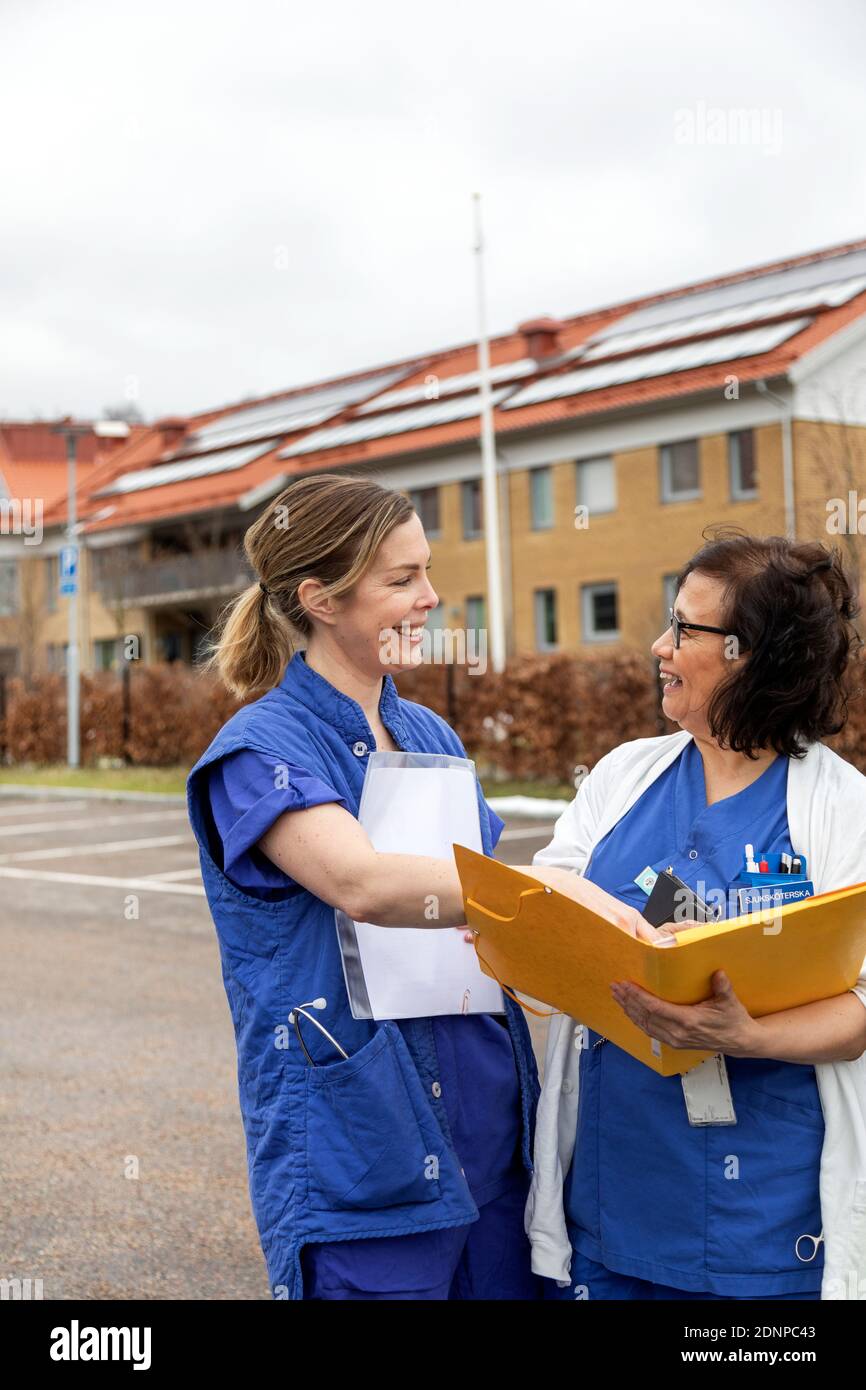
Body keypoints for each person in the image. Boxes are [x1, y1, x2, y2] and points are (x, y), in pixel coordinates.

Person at [185, 472, 605, 1301]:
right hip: (363, 1162)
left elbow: (477, 922)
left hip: (491, 1148)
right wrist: (552, 896)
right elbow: (365, 884)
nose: (432, 598)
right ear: (321, 599)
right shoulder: (256, 750)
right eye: (402, 579)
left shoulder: (430, 735)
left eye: (428, 572)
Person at [525, 527, 866, 1301]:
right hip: (613, 1215)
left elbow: (863, 1008)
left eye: (684, 628)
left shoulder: (841, 810)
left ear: (753, 654)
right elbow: (545, 907)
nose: (658, 646)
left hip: (766, 1236)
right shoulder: (623, 776)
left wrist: (749, 1035)